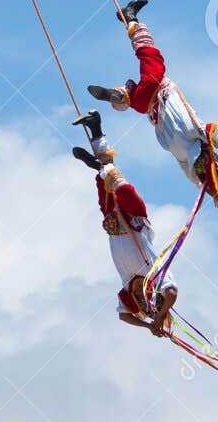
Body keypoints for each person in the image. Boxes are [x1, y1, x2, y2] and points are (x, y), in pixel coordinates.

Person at [87, 0, 218, 212]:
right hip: (145, 106)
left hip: (158, 88)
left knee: (150, 56)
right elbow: (205, 184)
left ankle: (130, 20)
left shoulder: (200, 134)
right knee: (134, 96)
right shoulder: (184, 159)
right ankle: (120, 96)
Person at [72, 109, 177, 336]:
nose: (139, 295)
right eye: (144, 299)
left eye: (139, 301)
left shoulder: (128, 285)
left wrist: (148, 325)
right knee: (120, 184)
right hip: (135, 219)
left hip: (113, 223)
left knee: (103, 181)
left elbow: (123, 315)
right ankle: (101, 166)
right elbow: (172, 293)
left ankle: (96, 128)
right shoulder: (155, 276)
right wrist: (160, 317)